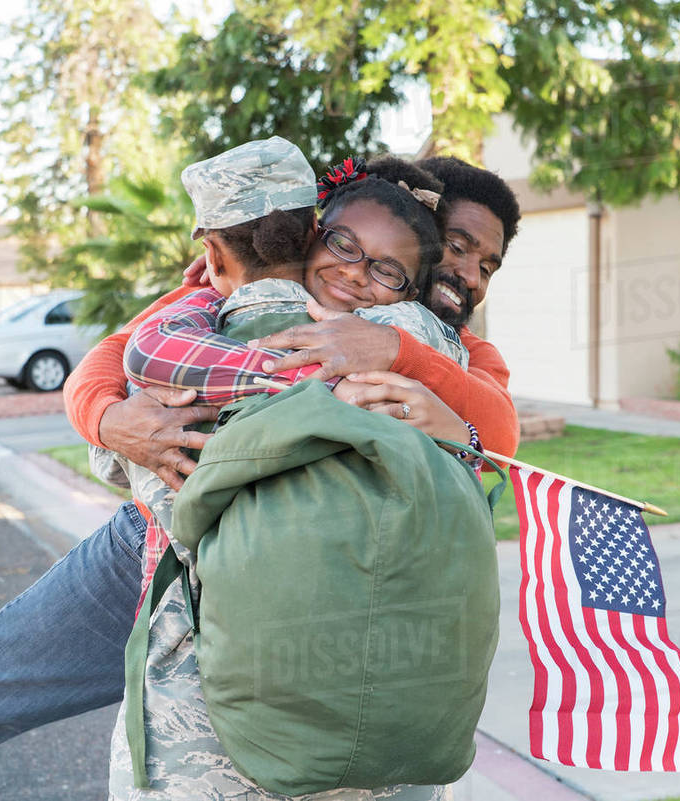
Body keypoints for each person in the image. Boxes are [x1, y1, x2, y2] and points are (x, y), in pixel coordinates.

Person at [0, 156, 520, 801]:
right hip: (157, 549)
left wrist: (389, 349)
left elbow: (501, 435)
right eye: (454, 245)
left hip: (355, 583)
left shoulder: (458, 352)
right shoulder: (234, 287)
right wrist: (105, 419)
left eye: (485, 263)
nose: (465, 272)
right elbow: (118, 352)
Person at [108, 143, 474, 800]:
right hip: (390, 731)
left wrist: (109, 427)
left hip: (206, 730)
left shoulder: (163, 368)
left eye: (385, 269)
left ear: (213, 255)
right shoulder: (418, 360)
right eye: (348, 248)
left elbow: (116, 451)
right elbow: (472, 445)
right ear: (313, 232)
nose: (358, 274)